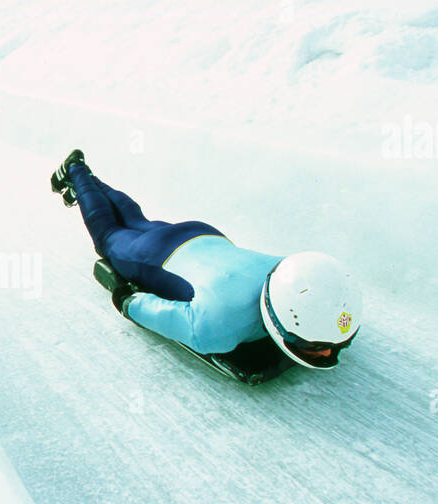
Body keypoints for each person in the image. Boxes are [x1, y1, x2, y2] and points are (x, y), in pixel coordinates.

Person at [51, 150, 363, 382]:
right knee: (107, 235)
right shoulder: (219, 329)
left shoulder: (290, 267)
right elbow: (157, 313)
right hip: (154, 257)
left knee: (136, 219)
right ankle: (76, 169)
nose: (330, 353)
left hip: (203, 234)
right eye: (317, 347)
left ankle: (86, 175)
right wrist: (125, 299)